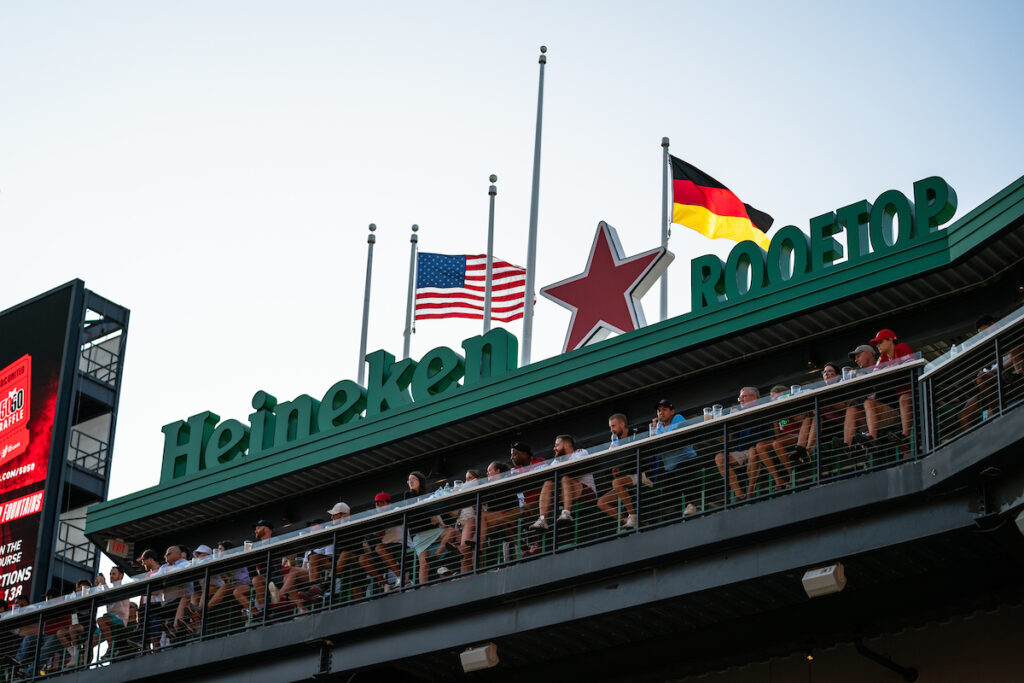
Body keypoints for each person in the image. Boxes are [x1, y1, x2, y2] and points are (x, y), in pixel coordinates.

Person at [597, 413, 653, 528]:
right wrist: (614, 470)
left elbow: (639, 453)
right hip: (628, 479)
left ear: (622, 424)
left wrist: (621, 466)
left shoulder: (637, 431)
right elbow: (608, 468)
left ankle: (632, 516)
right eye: (610, 427)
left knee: (617, 482)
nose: (611, 430)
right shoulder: (615, 442)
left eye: (613, 426)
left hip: (643, 474)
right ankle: (631, 521)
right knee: (601, 502)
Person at [714, 386, 769, 500]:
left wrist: (737, 416)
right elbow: (726, 439)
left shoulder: (763, 409)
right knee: (719, 457)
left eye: (744, 396)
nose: (741, 400)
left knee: (753, 451)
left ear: (754, 397)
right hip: (742, 451)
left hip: (759, 448)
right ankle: (739, 495)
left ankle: (750, 490)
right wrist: (719, 426)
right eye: (740, 398)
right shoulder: (739, 416)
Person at [531, 435, 594, 529]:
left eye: (557, 445)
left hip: (587, 493)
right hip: (567, 496)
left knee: (565, 478)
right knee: (548, 483)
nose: (554, 448)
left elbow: (573, 468)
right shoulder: (557, 461)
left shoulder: (580, 452)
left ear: (567, 445)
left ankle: (566, 513)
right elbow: (548, 472)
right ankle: (542, 520)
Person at [403, 471, 453, 584]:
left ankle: (435, 557)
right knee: (424, 565)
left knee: (451, 531)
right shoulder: (408, 494)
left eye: (413, 479)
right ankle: (422, 588)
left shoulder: (427, 495)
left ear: (420, 481)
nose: (410, 482)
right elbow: (413, 510)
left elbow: (434, 512)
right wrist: (429, 515)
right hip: (418, 533)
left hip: (430, 530)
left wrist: (442, 523)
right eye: (409, 480)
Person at [357, 493, 403, 592]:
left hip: (400, 544)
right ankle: (385, 584)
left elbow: (381, 530)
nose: (379, 506)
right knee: (363, 558)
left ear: (389, 503)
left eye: (381, 503)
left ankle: (400, 577)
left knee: (379, 548)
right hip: (385, 550)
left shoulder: (396, 509)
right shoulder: (377, 518)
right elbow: (378, 533)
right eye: (377, 504)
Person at [95, 567, 131, 659]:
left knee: (100, 621)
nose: (111, 576)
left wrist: (104, 584)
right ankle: (83, 663)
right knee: (90, 641)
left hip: (120, 620)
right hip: (109, 621)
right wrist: (97, 586)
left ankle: (111, 648)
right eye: (110, 574)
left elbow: (117, 606)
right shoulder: (109, 589)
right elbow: (103, 597)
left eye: (114, 574)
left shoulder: (123, 588)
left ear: (121, 575)